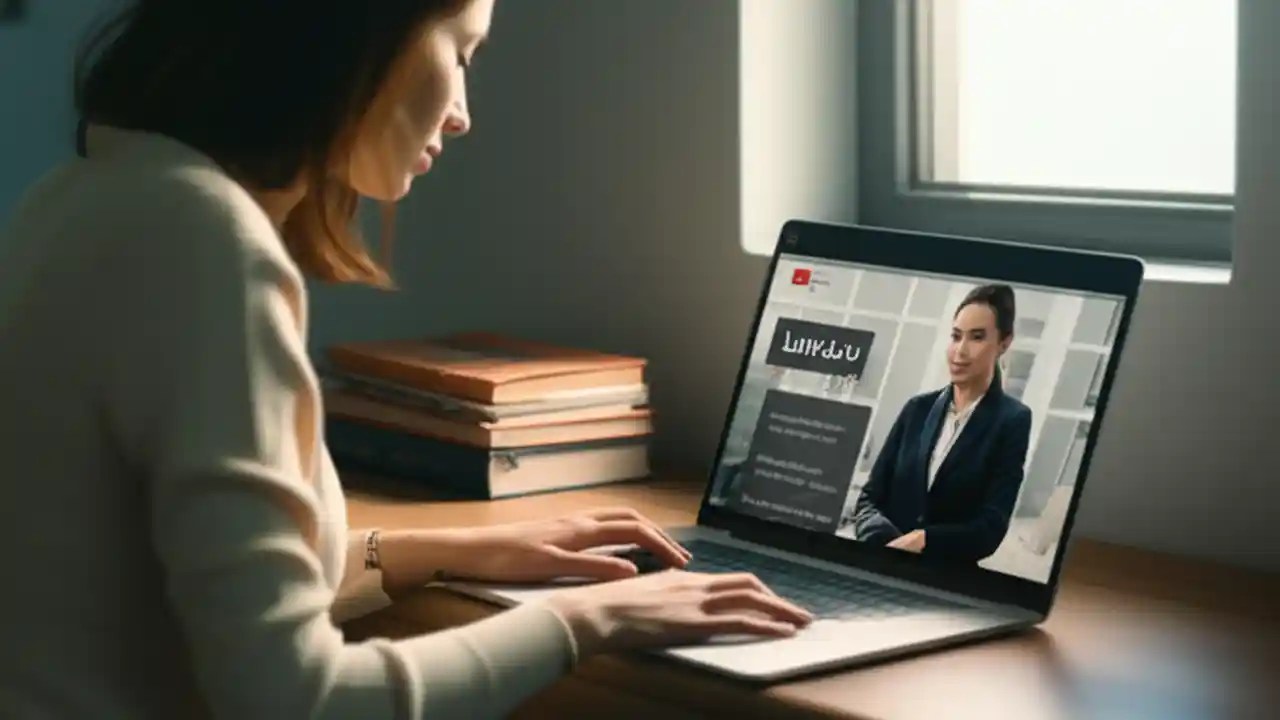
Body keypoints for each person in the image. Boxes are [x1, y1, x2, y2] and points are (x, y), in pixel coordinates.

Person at [0, 2, 813, 718]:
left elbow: (196, 584)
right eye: (459, 52)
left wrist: (444, 551)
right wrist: (591, 620)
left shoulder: (86, 200)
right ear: (355, 31)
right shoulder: (202, 245)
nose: (461, 113)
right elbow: (294, 699)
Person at [850, 284, 1033, 564]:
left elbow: (991, 528)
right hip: (878, 562)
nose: (960, 350)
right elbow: (868, 499)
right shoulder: (916, 409)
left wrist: (925, 539)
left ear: (1004, 343)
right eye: (956, 336)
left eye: (977, 337)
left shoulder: (1012, 420)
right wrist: (884, 543)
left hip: (943, 576)